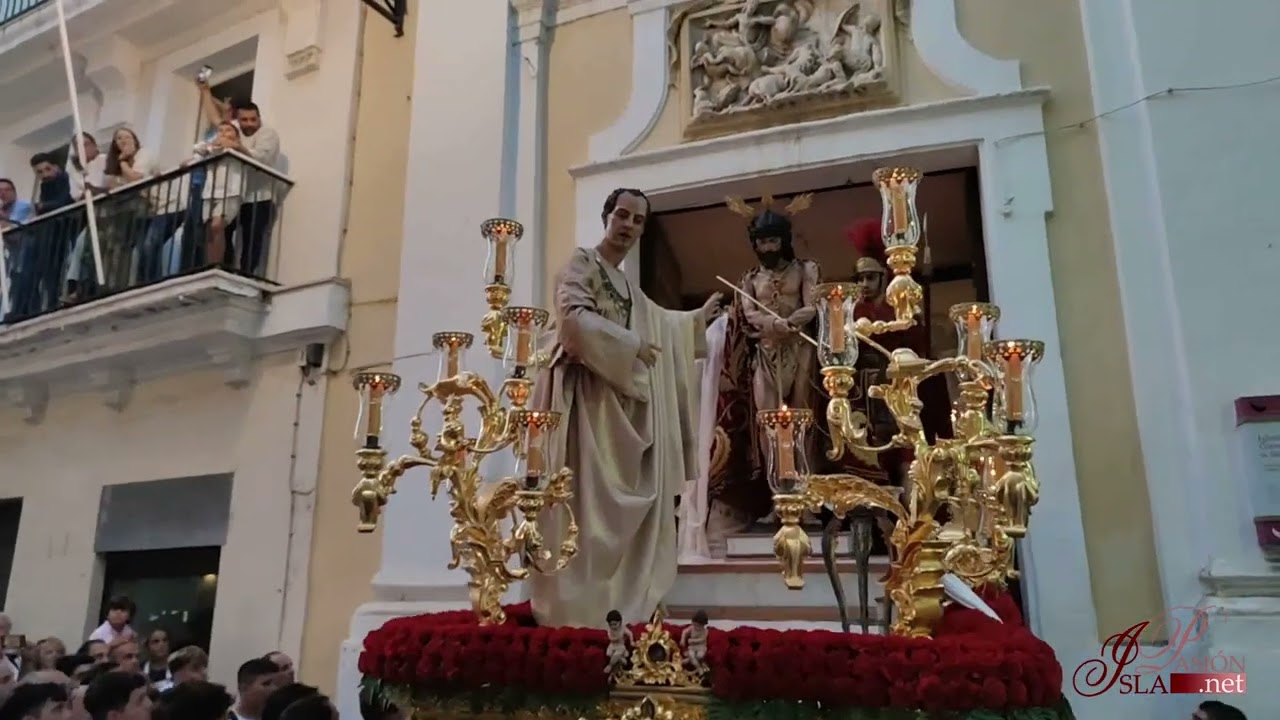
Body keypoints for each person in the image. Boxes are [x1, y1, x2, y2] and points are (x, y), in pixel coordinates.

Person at [527, 188, 722, 628]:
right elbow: (573, 318)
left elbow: (660, 323)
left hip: (621, 406)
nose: (629, 225)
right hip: (587, 406)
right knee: (584, 507)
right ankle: (575, 611)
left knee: (633, 506)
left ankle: (621, 605)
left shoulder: (630, 289)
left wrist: (697, 320)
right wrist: (630, 345)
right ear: (606, 216)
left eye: (638, 220)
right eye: (622, 215)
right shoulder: (581, 264)